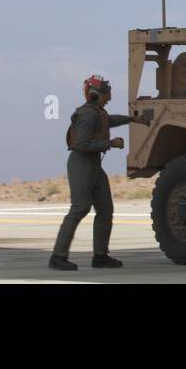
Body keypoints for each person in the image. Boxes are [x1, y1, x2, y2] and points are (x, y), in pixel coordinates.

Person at [49, 75, 133, 271]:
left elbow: (109, 121)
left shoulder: (98, 113)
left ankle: (100, 256)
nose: (109, 97)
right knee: (80, 207)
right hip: (82, 164)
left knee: (105, 209)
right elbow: (81, 144)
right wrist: (110, 144)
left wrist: (132, 119)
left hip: (94, 165)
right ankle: (58, 256)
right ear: (96, 94)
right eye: (107, 93)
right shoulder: (87, 114)